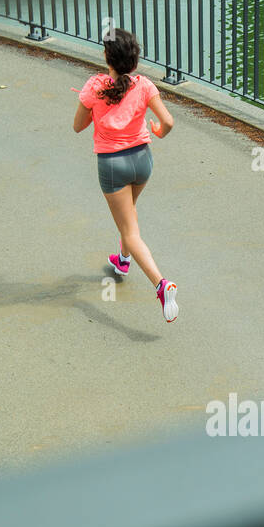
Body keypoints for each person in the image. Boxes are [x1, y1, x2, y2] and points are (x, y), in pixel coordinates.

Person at [73, 28, 178, 322]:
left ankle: (161, 285)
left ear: (108, 57)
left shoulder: (95, 86)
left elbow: (77, 126)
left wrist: (97, 111)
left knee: (130, 231)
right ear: (134, 59)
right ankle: (122, 260)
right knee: (127, 217)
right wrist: (157, 130)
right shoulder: (144, 85)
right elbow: (167, 122)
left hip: (112, 166)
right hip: (143, 162)